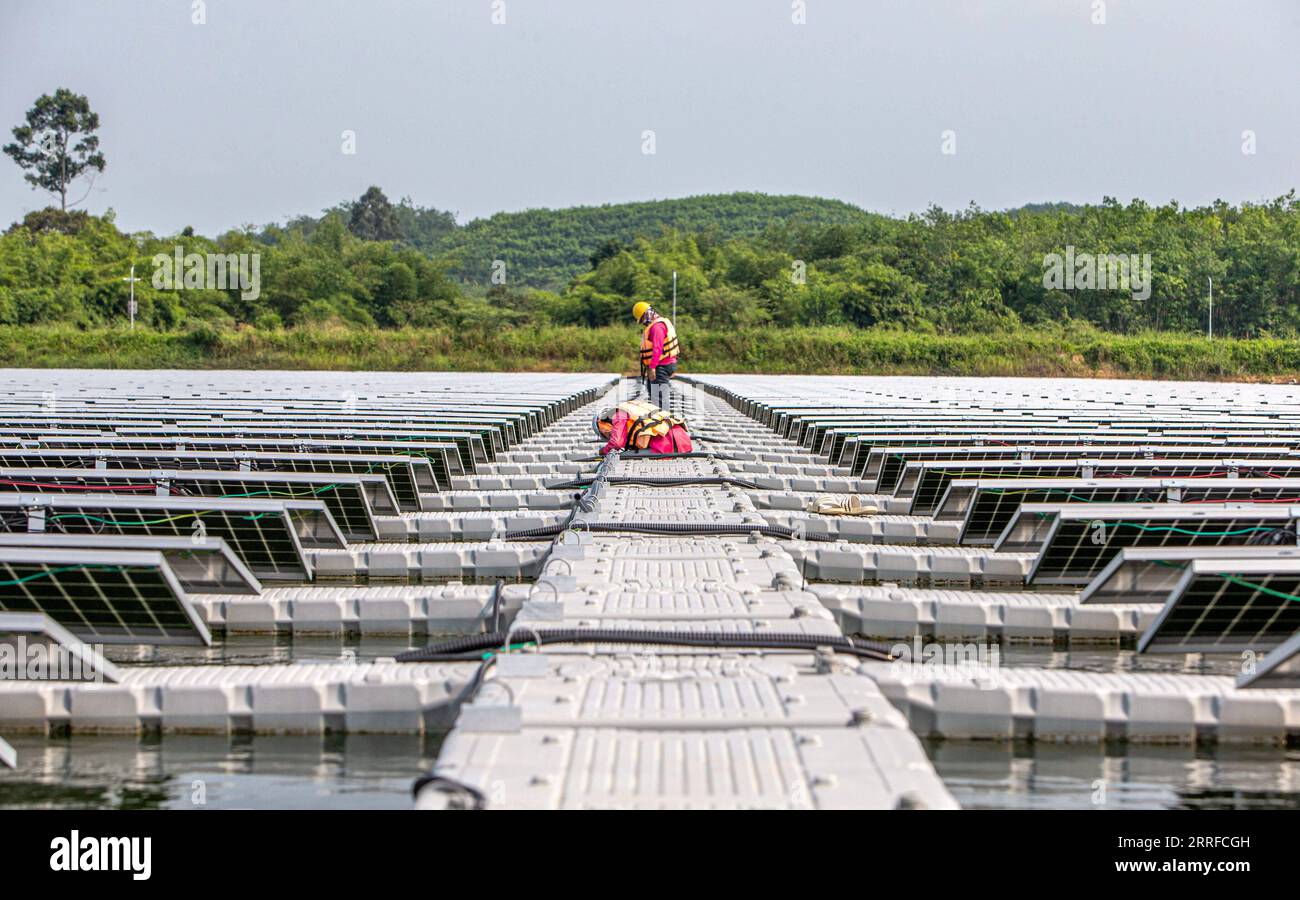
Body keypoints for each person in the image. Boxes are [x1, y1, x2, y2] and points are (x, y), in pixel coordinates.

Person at [593, 399, 692, 456]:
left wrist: (604, 451)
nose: (608, 436)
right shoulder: (632, 407)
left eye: (605, 434)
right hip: (684, 442)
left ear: (601, 422)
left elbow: (617, 443)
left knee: (621, 457)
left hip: (667, 445)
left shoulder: (619, 415)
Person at [631, 301, 679, 409]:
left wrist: (652, 367)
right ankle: (659, 420)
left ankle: (665, 422)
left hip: (661, 366)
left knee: (659, 398)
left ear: (647, 314)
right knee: (654, 394)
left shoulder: (657, 327)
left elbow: (658, 348)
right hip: (661, 365)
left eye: (643, 319)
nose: (643, 322)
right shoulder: (657, 324)